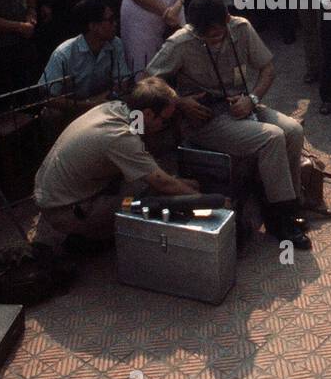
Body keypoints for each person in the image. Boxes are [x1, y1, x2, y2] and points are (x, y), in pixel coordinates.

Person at [146, 0, 310, 249]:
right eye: (210, 36)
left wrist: (253, 98)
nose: (217, 38)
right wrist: (181, 102)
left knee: (292, 129)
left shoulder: (241, 28)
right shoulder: (180, 43)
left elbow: (267, 68)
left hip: (242, 104)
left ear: (227, 19)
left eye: (220, 31)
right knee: (271, 137)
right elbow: (148, 82)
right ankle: (280, 219)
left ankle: (291, 203)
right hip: (207, 118)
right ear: (196, 31)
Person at [30, 77, 205, 250]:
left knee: (155, 179)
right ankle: (91, 235)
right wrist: (202, 200)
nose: (164, 125)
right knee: (154, 196)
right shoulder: (121, 137)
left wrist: (180, 186)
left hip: (54, 195)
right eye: (164, 120)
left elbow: (146, 156)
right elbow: (161, 182)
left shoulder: (114, 109)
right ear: (149, 114)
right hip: (65, 210)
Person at [40, 0, 130, 101]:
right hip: (70, 107)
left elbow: (122, 84)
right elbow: (46, 94)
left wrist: (93, 103)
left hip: (103, 105)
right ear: (93, 26)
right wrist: (86, 105)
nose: (115, 23)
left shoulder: (116, 44)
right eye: (110, 20)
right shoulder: (64, 54)